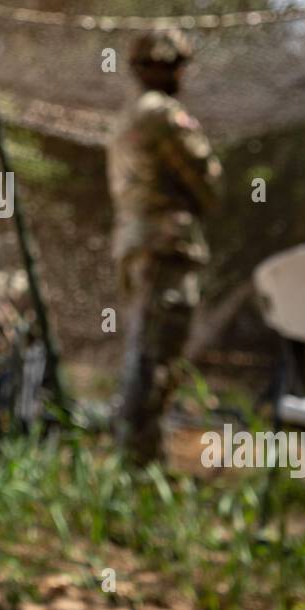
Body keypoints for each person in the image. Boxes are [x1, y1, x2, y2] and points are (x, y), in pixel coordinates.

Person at [108, 29, 222, 463]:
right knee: (156, 358)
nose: (181, 75)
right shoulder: (163, 114)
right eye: (176, 65)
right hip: (165, 245)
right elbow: (208, 181)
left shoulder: (126, 116)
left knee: (143, 352)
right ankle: (139, 465)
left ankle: (136, 456)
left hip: (137, 244)